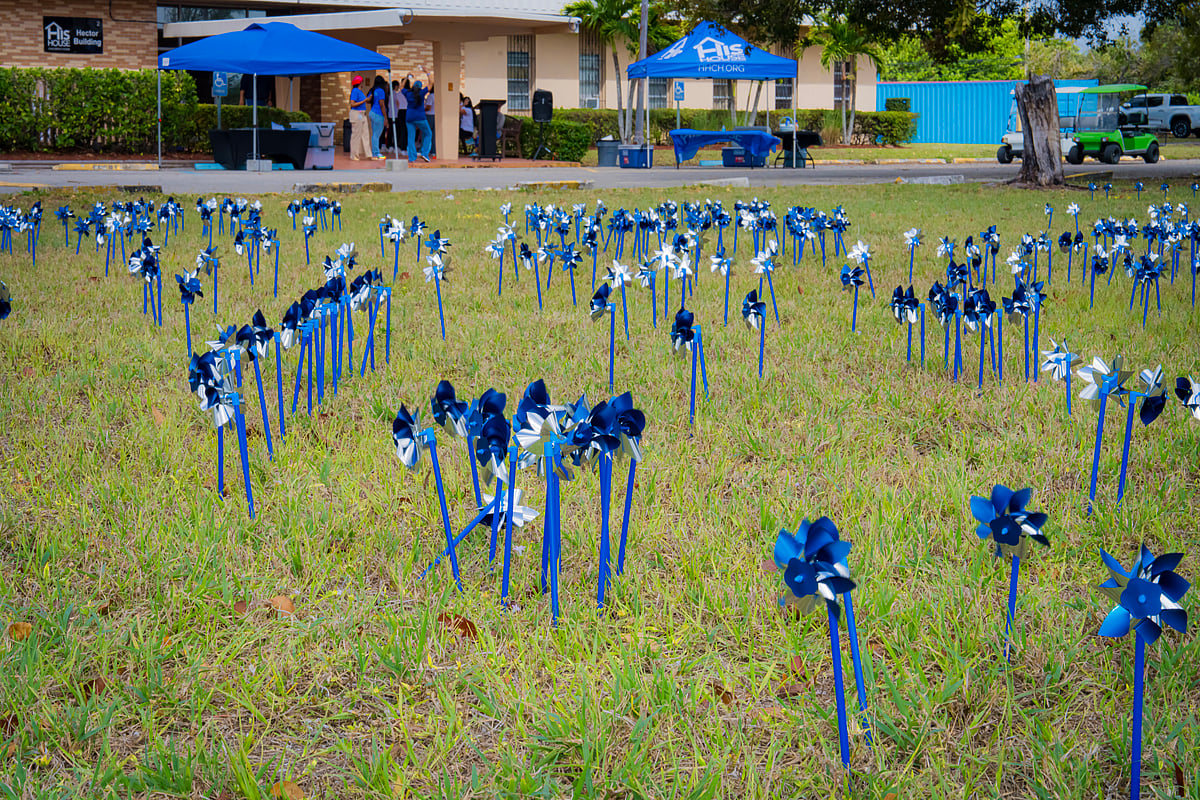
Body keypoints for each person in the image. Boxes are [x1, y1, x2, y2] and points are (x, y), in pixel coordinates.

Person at [402, 71, 432, 163]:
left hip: (409, 117)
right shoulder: (422, 93)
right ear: (420, 87)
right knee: (428, 133)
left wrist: (407, 78)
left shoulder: (407, 93)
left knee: (411, 137)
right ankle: (424, 153)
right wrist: (427, 72)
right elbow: (431, 83)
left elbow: (401, 87)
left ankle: (412, 158)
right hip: (420, 117)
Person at [348, 75, 371, 161]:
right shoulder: (355, 91)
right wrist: (365, 100)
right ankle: (354, 155)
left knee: (365, 134)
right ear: (360, 82)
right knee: (356, 135)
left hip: (362, 114)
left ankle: (368, 154)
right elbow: (352, 104)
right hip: (357, 114)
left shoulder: (360, 91)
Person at [368, 75, 388, 159]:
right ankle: (376, 153)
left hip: (372, 112)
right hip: (378, 114)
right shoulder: (381, 91)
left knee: (374, 135)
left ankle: (374, 152)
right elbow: (382, 104)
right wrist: (385, 117)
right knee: (377, 135)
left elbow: (368, 99)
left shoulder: (373, 90)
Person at [392, 79, 408, 157]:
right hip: (406, 111)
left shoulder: (398, 93)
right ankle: (404, 147)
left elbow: (397, 103)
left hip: (400, 111)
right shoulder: (409, 93)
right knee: (406, 130)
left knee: (400, 129)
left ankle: (399, 146)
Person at [424, 85, 436, 157]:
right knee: (434, 135)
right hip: (436, 116)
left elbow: (428, 107)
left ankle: (425, 150)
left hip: (429, 115)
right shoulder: (438, 96)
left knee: (426, 134)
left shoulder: (431, 96)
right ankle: (433, 151)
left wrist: (422, 110)